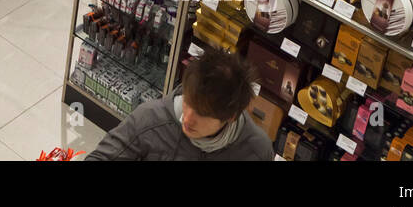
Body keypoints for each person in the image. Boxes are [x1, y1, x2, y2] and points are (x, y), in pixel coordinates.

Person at [85, 49, 273, 161]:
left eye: (203, 113)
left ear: (230, 117)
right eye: (188, 102)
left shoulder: (256, 150)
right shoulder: (150, 120)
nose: (188, 118)